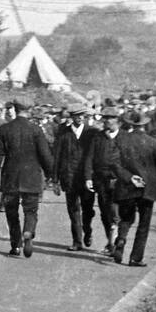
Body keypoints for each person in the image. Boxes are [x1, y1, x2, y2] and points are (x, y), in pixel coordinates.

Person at [109, 110, 156, 267]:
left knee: (126, 219)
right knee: (143, 224)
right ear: (145, 124)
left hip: (127, 187)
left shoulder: (121, 140)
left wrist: (129, 177)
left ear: (130, 124)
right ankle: (135, 258)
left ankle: (120, 240)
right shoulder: (153, 142)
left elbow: (114, 163)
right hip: (147, 189)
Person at [0, 98, 54, 258]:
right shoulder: (36, 130)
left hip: (10, 177)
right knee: (31, 210)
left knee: (11, 212)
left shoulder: (4, 129)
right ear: (29, 110)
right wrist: (51, 175)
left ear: (15, 109)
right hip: (31, 177)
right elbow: (45, 155)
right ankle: (28, 231)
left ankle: (15, 245)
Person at [54, 102, 96, 251]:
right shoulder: (63, 133)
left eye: (81, 115)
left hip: (87, 179)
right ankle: (77, 241)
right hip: (69, 178)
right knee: (73, 210)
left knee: (88, 210)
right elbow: (57, 157)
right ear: (71, 117)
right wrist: (55, 179)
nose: (79, 118)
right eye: (76, 115)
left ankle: (88, 229)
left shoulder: (92, 132)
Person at [84, 107, 124, 255]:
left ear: (117, 121)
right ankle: (110, 242)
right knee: (104, 211)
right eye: (105, 118)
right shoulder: (98, 137)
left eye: (110, 118)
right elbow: (89, 158)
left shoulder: (124, 137)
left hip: (119, 180)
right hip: (101, 181)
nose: (107, 121)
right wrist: (88, 177)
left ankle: (117, 242)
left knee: (115, 211)